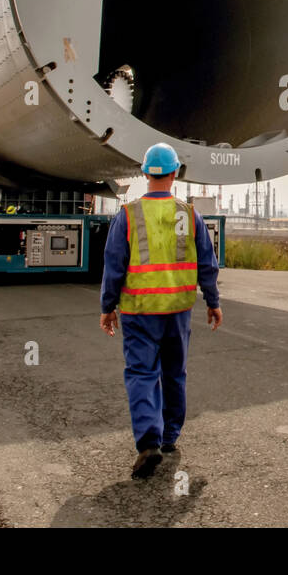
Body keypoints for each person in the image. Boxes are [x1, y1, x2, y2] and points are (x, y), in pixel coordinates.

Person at [100, 143, 221, 479]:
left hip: (140, 310)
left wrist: (108, 307)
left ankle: (148, 442)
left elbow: (113, 265)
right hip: (178, 309)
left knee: (141, 374)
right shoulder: (189, 214)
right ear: (175, 172)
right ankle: (169, 437)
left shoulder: (128, 215)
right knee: (174, 373)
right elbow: (207, 264)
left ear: (144, 172)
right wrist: (213, 301)